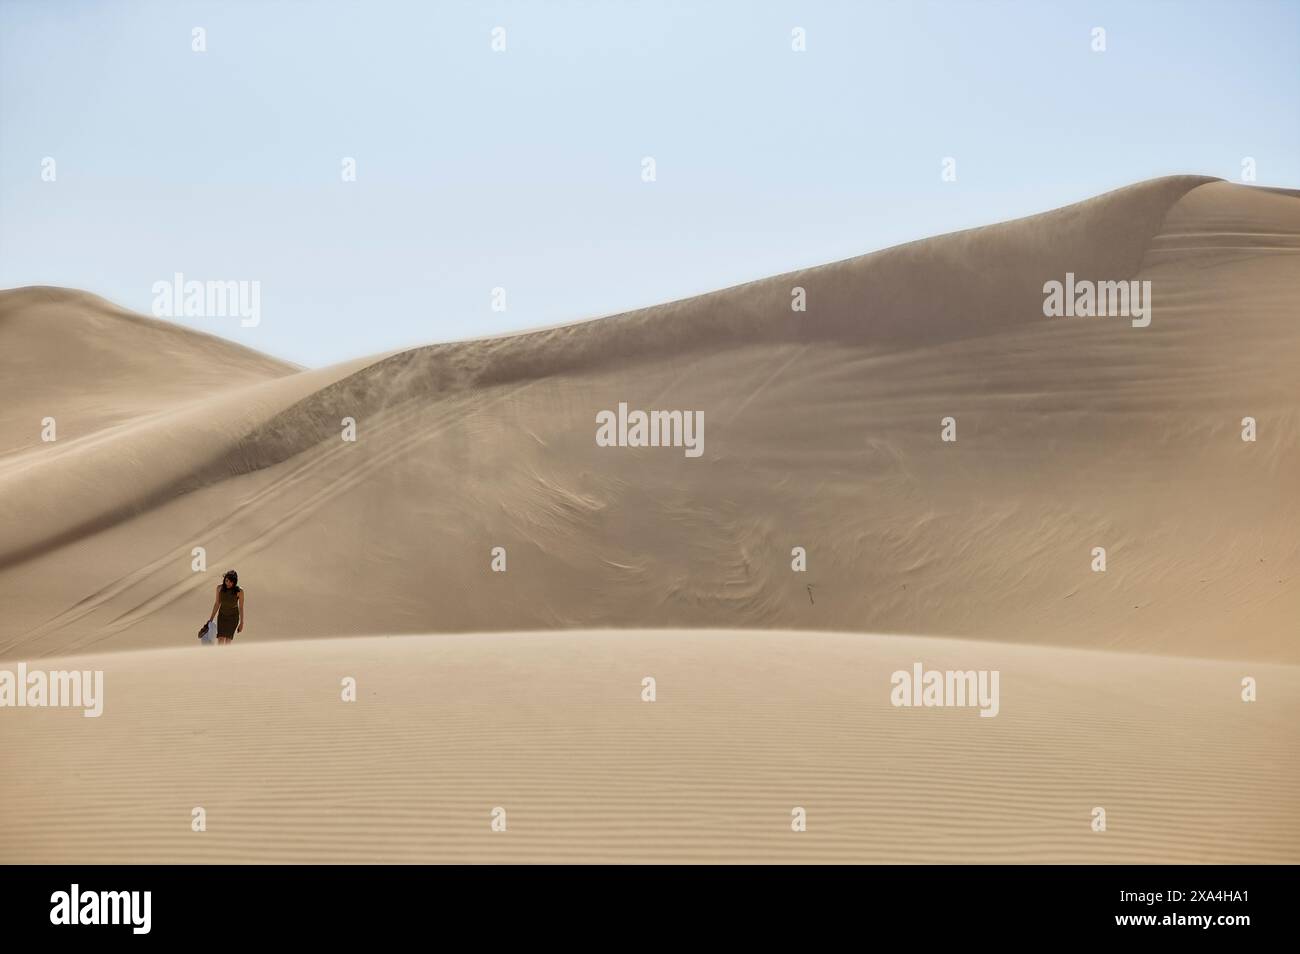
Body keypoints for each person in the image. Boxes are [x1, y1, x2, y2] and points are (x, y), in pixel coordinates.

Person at [205, 569, 245, 646]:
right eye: (226, 581)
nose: (228, 583)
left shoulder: (240, 591)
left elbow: (241, 607)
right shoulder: (219, 588)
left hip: (233, 618)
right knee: (220, 639)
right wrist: (211, 619)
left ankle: (226, 656)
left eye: (230, 582)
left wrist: (242, 622)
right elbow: (217, 603)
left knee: (228, 641)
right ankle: (219, 656)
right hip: (222, 616)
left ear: (234, 582)